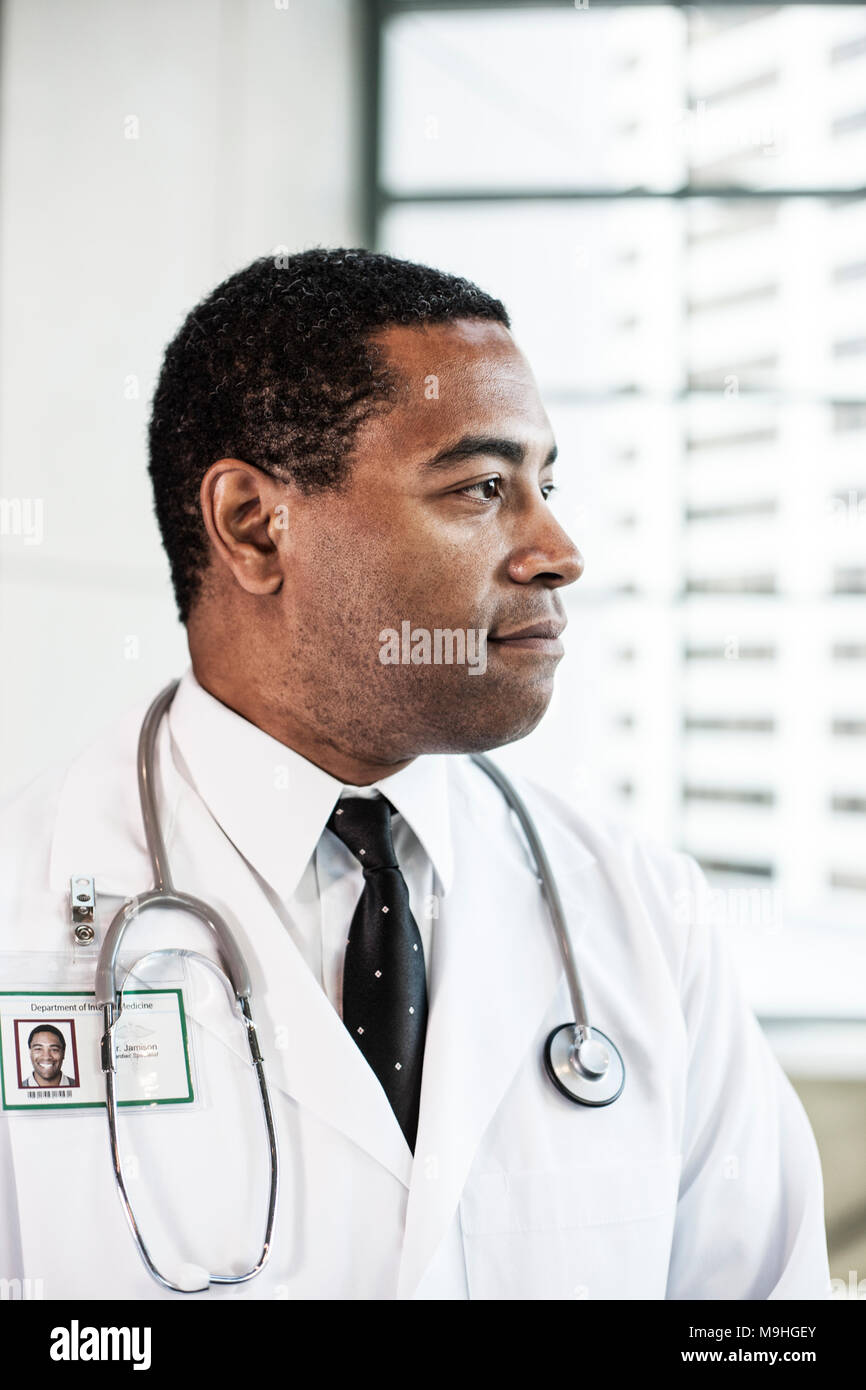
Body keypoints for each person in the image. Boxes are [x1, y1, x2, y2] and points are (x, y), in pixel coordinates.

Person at [0, 249, 830, 1300]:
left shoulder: (640, 914)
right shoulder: (20, 895)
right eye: (482, 487)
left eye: (544, 483)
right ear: (257, 527)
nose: (557, 549)